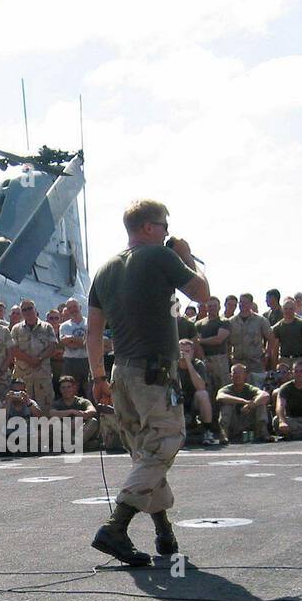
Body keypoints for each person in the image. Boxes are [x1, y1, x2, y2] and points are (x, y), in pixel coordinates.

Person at [87, 199, 209, 564]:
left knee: (146, 453)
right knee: (163, 446)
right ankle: (115, 526)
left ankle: (163, 533)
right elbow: (202, 296)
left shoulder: (105, 269)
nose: (168, 231)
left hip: (120, 371)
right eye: (163, 225)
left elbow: (93, 333)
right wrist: (187, 257)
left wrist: (97, 377)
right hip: (153, 373)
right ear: (147, 228)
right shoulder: (159, 256)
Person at [8, 298, 58, 410]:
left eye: (30, 308)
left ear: (35, 309)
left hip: (42, 375)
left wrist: (39, 358)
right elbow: (13, 349)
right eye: (24, 310)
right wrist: (29, 360)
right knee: (21, 406)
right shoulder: (16, 329)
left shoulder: (47, 327)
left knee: (45, 406)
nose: (27, 311)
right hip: (23, 376)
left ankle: (44, 427)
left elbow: (53, 346)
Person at [216, 363, 271, 443]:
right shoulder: (226, 389)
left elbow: (265, 395)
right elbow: (220, 397)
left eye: (240, 373)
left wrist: (251, 405)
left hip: (249, 420)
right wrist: (243, 401)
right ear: (230, 376)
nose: (237, 376)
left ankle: (264, 432)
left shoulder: (250, 388)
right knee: (226, 406)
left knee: (261, 404)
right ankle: (224, 434)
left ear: (245, 375)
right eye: (234, 373)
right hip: (234, 423)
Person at [48, 374, 100, 450]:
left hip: (81, 432)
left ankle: (70, 445)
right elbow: (52, 413)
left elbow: (92, 411)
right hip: (65, 433)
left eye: (69, 387)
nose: (66, 390)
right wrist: (71, 411)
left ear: (74, 388)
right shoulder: (57, 403)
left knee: (93, 421)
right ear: (60, 389)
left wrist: (78, 416)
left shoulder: (82, 401)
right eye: (63, 388)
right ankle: (79, 445)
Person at [272, 298, 302, 373]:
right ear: (282, 309)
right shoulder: (277, 327)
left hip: (299, 359)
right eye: (286, 309)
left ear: (295, 309)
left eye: (291, 309)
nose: (288, 311)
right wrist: (274, 365)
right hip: (284, 360)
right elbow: (275, 348)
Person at [57, 298, 90, 391]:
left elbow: (91, 342)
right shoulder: (64, 326)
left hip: (87, 360)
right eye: (70, 308)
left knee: (89, 389)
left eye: (75, 307)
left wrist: (71, 338)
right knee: (70, 390)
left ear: (80, 307)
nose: (73, 309)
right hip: (70, 362)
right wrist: (84, 341)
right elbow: (66, 344)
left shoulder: (89, 323)